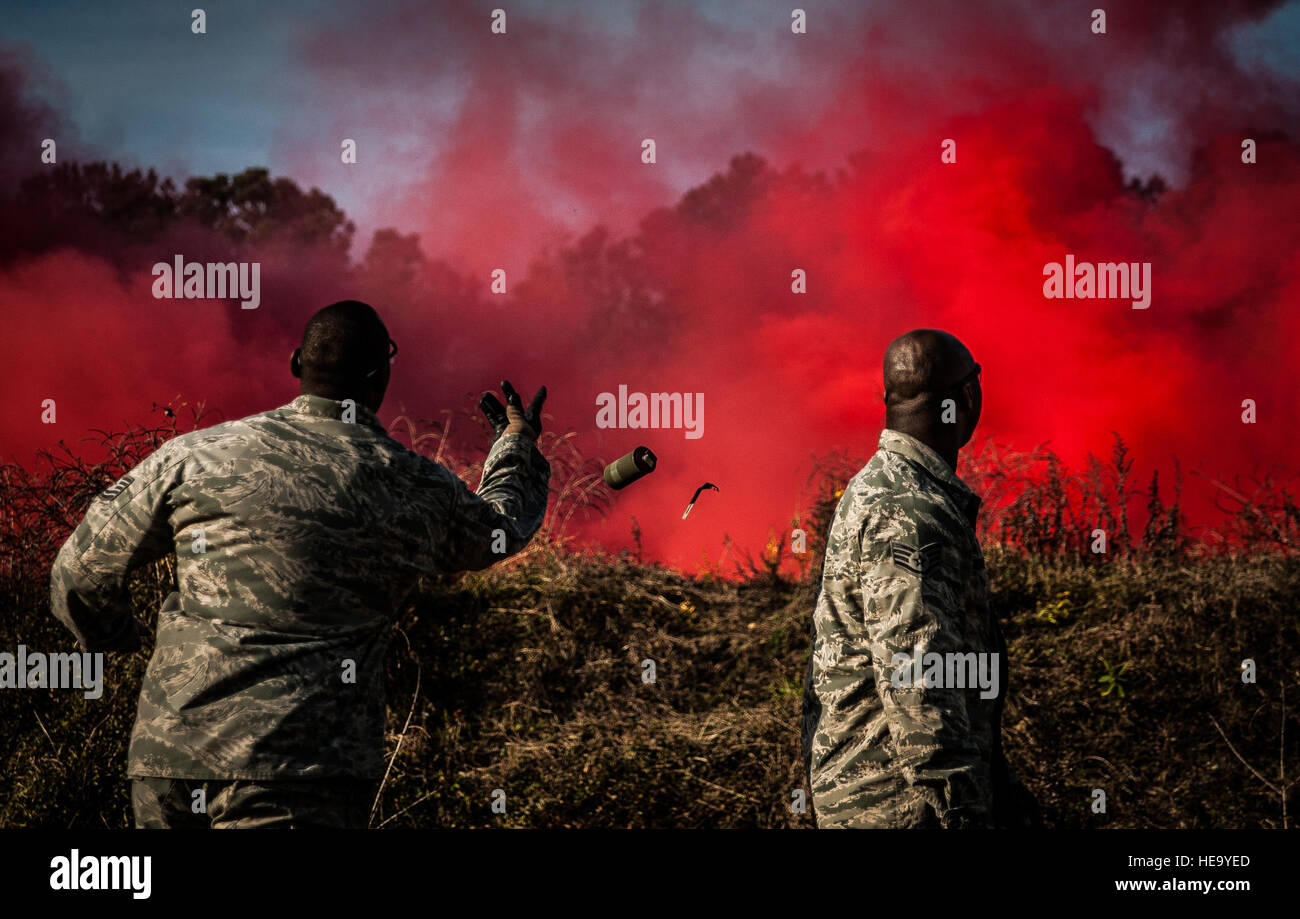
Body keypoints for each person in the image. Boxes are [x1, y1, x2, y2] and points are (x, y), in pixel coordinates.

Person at [48, 299, 550, 828]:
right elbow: (499, 531)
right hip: (300, 774)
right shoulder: (412, 485)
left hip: (169, 761)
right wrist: (515, 445)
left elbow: (78, 574)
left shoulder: (193, 457)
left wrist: (125, 643)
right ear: (379, 382)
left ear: (295, 364)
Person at [801, 328, 1040, 828]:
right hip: (902, 807)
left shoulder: (885, 488)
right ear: (969, 397)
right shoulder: (909, 511)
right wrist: (969, 814)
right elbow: (921, 687)